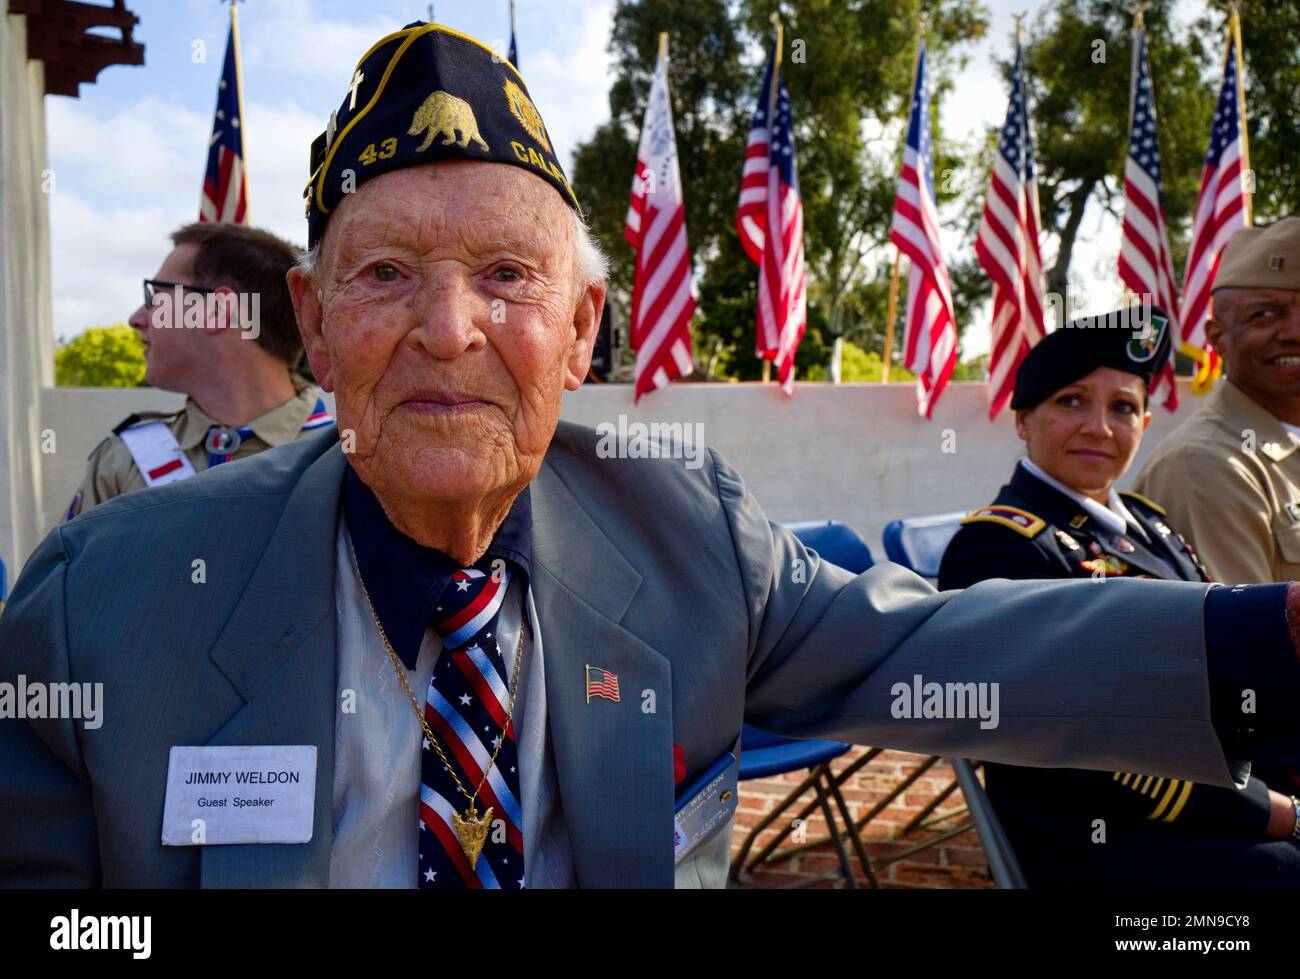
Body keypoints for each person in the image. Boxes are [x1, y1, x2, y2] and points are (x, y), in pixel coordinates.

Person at [1, 22, 1298, 890]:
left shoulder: (686, 536)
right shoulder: (94, 610)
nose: (448, 331)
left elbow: (939, 651)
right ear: (318, 325)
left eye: (507, 275)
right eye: (386, 273)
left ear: (578, 332)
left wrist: (1267, 640)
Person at [938, 312, 1300, 886]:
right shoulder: (996, 548)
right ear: (1023, 420)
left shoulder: (1150, 525)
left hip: (1218, 777)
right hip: (1102, 828)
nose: (1100, 428)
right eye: (1072, 401)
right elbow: (1074, 748)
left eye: (1123, 407)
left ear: (1146, 421)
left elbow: (1223, 676)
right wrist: (1272, 810)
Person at [62, 222, 333, 520]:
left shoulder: (348, 459)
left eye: (155, 297)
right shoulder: (121, 462)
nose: (135, 318)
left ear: (216, 311)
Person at [1133, 217, 1300, 584]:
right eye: (1265, 314)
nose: (1294, 332)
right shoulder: (1205, 464)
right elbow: (1247, 635)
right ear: (1218, 337)